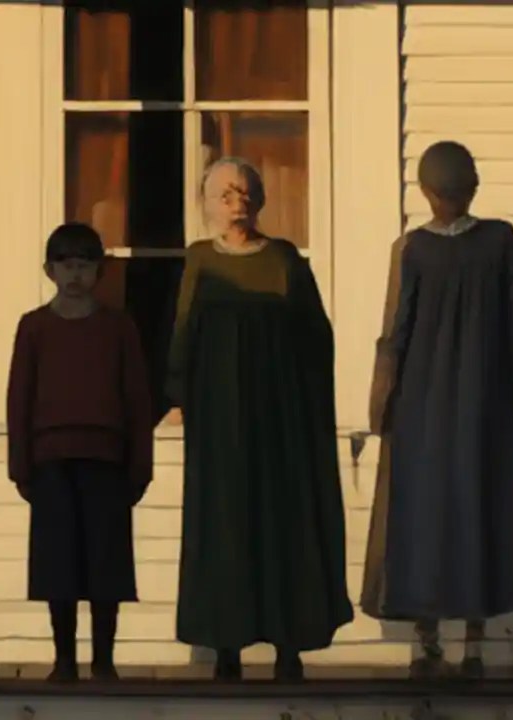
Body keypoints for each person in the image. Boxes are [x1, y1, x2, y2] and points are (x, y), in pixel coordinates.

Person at [167, 157, 352, 682]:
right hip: (221, 416)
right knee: (226, 522)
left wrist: (308, 404)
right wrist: (179, 391)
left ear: (261, 201)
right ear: (207, 202)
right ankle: (227, 644)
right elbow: (184, 328)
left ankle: (288, 644)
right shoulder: (201, 260)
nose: (237, 202)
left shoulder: (285, 259)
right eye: (225, 193)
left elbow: (316, 335)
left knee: (282, 520)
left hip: (281, 419)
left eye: (246, 193)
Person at [361, 140, 513, 680]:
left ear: (426, 192)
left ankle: (425, 639)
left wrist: (380, 405)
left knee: (422, 513)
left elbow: (396, 331)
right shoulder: (499, 240)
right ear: (473, 186)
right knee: (480, 507)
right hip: (483, 403)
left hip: (421, 405)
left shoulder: (411, 249)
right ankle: (475, 644)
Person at [6, 222, 154, 682]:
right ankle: (64, 658)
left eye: (85, 264)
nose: (75, 274)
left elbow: (137, 399)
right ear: (49, 270)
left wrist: (139, 468)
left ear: (99, 271)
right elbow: (19, 399)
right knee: (58, 562)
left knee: (105, 561)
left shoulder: (118, 328)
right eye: (66, 265)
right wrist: (20, 467)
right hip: (51, 459)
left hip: (106, 459)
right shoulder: (34, 327)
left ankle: (104, 659)